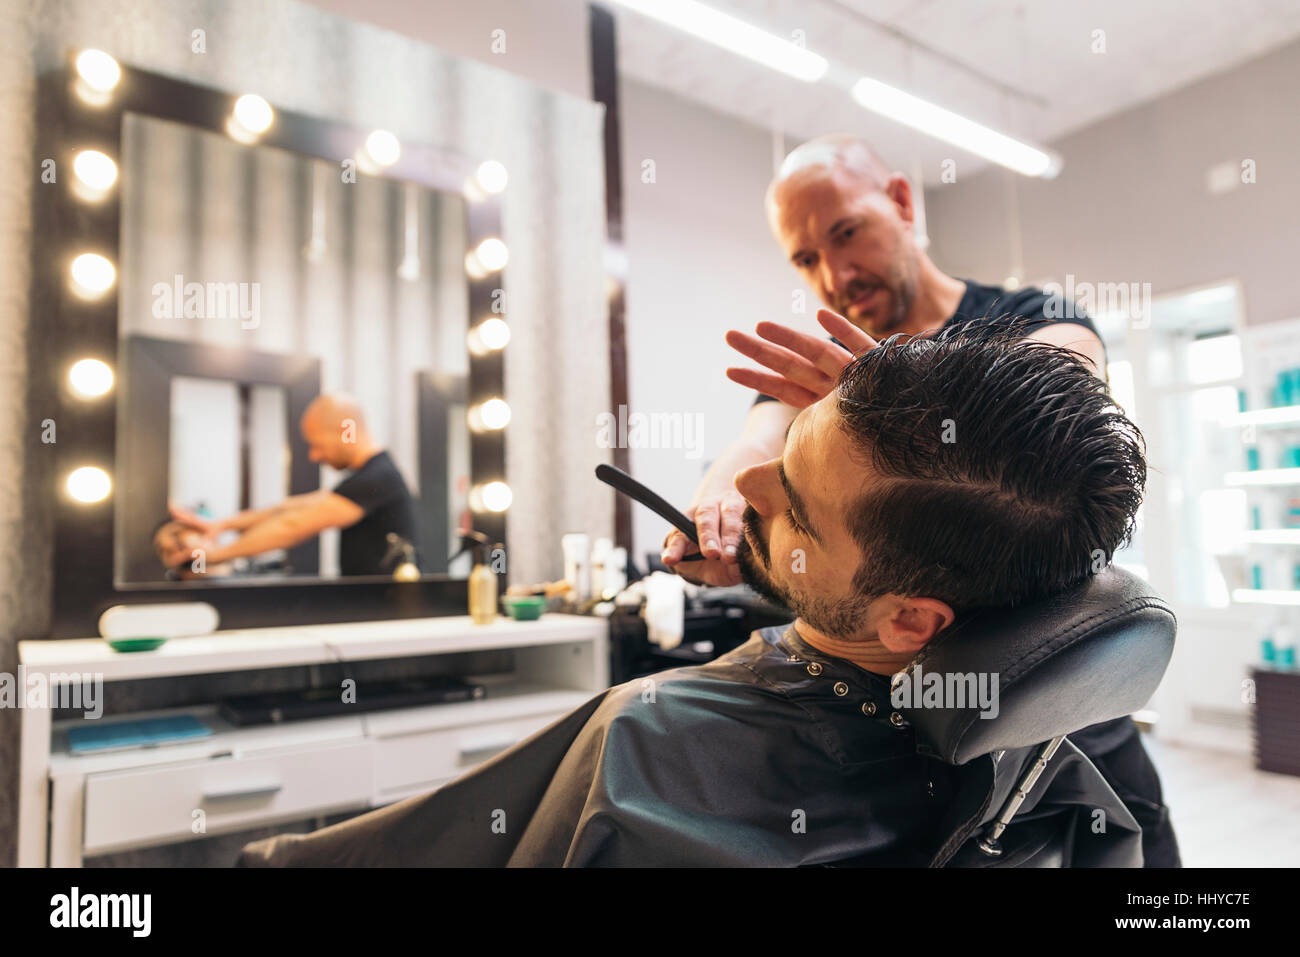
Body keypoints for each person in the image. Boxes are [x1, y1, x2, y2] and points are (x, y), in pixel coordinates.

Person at [238, 326, 1150, 867]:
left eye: (792, 507)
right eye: (781, 455)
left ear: (910, 618)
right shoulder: (1034, 753)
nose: (744, 488)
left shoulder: (653, 737)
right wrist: (783, 555)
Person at [661, 134, 1179, 869]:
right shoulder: (812, 374)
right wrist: (720, 510)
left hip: (1058, 704)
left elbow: (1063, 407)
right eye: (805, 259)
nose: (835, 272)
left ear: (902, 203)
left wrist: (886, 413)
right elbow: (753, 446)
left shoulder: (1034, 315)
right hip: (892, 723)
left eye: (847, 233)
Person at [161, 393, 419, 577]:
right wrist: (221, 525)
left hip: (386, 614)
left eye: (317, 444)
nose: (314, 456)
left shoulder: (379, 479)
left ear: (345, 431)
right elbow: (291, 509)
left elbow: (293, 526)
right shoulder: (366, 479)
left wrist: (212, 556)